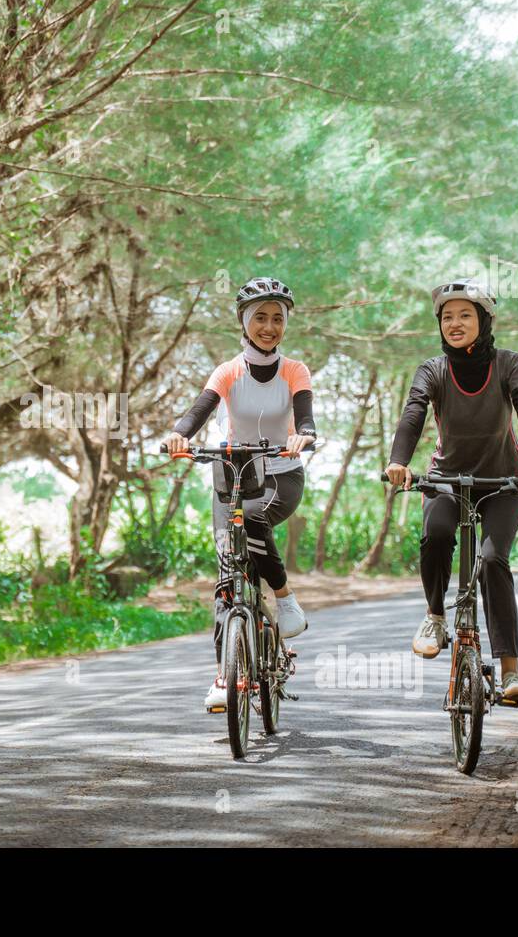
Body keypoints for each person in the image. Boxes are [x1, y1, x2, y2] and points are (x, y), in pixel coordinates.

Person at [384, 278, 518, 702]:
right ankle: (435, 616)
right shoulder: (432, 369)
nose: (454, 323)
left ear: (484, 320)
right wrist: (399, 461)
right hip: (446, 478)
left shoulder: (510, 364)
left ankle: (511, 670)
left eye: (465, 315)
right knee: (436, 535)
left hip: (504, 481)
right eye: (447, 317)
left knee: (494, 560)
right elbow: (413, 414)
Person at [163, 276, 317, 712]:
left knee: (252, 519)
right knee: (228, 574)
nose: (269, 326)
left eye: (277, 319)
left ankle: (284, 601)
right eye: (260, 318)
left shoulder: (294, 370)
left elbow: (305, 413)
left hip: (279, 475)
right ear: (245, 323)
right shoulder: (228, 370)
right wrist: (178, 436)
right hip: (230, 476)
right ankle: (223, 675)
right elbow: (199, 410)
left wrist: (304, 435)